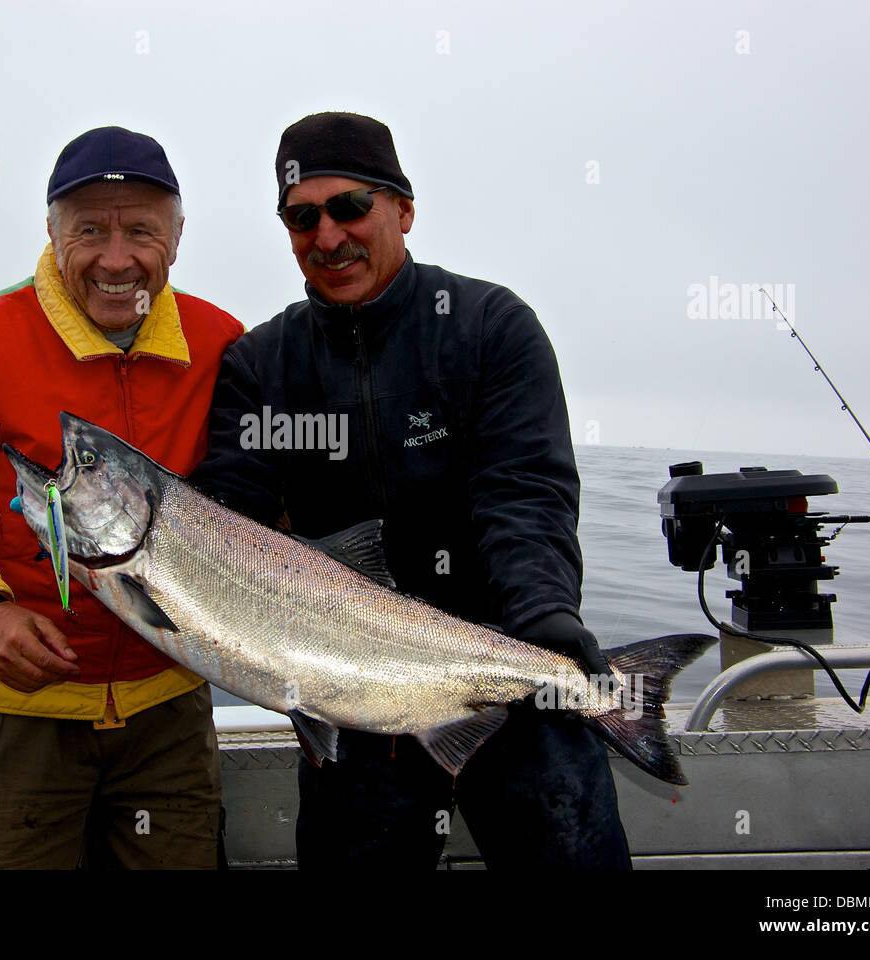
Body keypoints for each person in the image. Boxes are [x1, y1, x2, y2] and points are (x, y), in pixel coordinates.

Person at [191, 111, 632, 869]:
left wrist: (546, 615)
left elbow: (522, 492)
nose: (327, 236)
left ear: (403, 208)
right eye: (302, 217)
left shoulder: (491, 327)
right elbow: (232, 519)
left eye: (350, 207)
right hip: (352, 700)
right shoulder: (263, 364)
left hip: (512, 671)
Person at [0, 126, 243, 869]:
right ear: (50, 231)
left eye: (140, 230)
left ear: (179, 236)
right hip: (8, 716)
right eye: (89, 229)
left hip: (170, 712)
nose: (115, 257)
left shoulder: (224, 343)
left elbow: (267, 518)